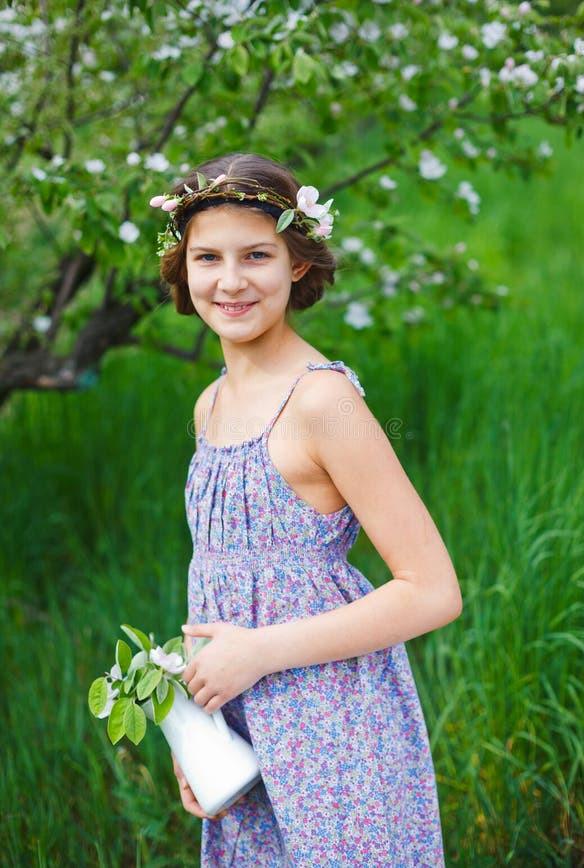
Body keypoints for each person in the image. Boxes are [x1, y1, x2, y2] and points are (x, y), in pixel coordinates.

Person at [150, 152, 462, 866]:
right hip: (244, 736)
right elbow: (219, 586)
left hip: (336, 735)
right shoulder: (211, 404)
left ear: (296, 262)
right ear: (182, 267)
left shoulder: (323, 403)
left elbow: (434, 590)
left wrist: (259, 653)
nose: (230, 280)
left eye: (256, 254)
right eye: (208, 257)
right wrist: (198, 734)